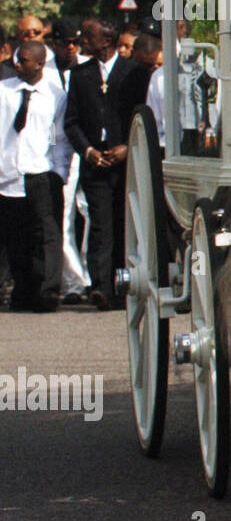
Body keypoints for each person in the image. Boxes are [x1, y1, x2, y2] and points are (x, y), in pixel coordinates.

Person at [63, 17, 144, 310]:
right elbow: (70, 122)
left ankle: (125, 284)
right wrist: (87, 151)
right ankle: (100, 286)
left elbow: (142, 114)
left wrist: (127, 146)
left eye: (89, 35)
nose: (83, 39)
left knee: (124, 222)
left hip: (126, 163)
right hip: (95, 163)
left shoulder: (134, 73)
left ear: (106, 41)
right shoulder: (80, 75)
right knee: (100, 224)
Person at [0, 41, 71, 312]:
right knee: (16, 236)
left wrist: (59, 170)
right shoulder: (4, 92)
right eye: (18, 59)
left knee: (47, 234)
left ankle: (48, 291)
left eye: (25, 60)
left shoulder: (54, 95)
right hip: (8, 174)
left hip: (40, 171)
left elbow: (58, 136)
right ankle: (24, 289)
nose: (18, 64)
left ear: (40, 63)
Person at [47, 19, 92, 303]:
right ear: (55, 44)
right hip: (58, 151)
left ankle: (89, 274)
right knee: (64, 219)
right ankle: (75, 282)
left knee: (90, 214)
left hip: (87, 148)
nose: (72, 48)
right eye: (66, 44)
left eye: (76, 42)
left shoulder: (87, 66)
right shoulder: (46, 71)